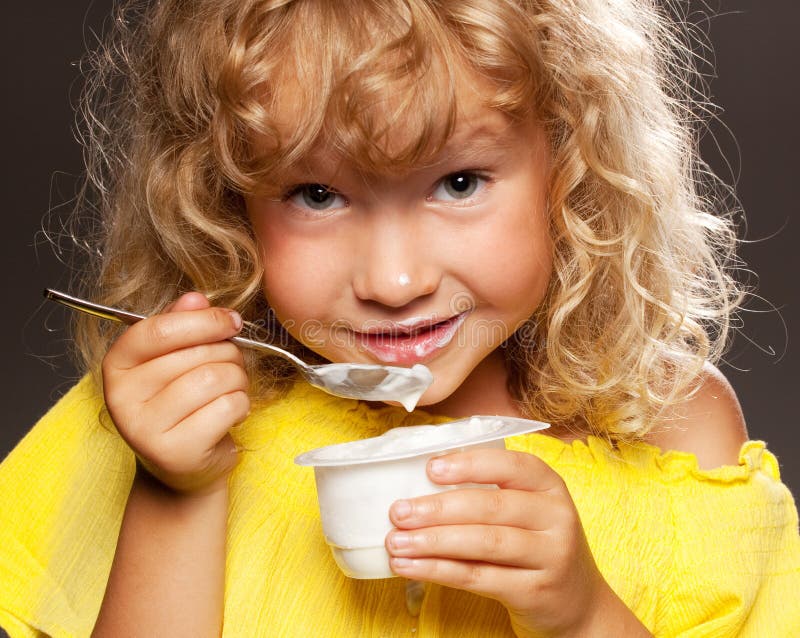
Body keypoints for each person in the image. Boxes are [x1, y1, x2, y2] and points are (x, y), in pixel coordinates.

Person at [1, 0, 798, 635]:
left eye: (457, 183)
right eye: (317, 195)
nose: (394, 280)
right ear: (225, 199)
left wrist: (585, 617)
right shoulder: (192, 413)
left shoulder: (668, 424)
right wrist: (180, 487)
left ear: (571, 163)